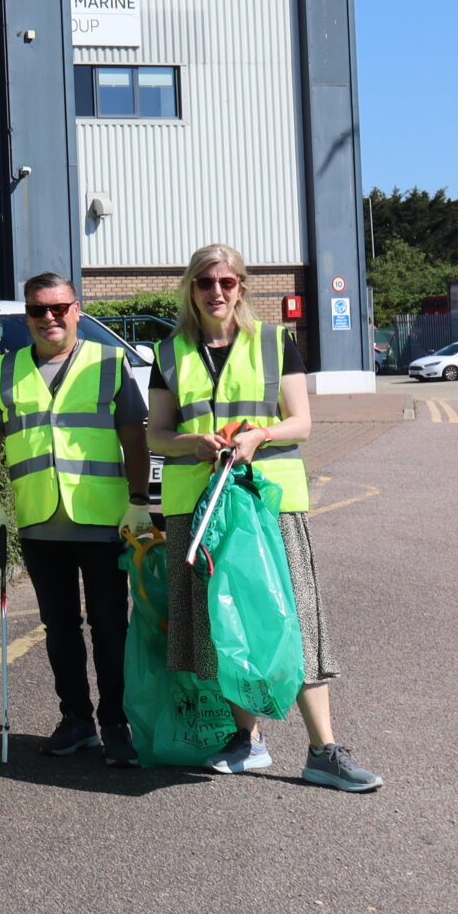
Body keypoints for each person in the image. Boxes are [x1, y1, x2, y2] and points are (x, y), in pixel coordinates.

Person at [146, 244, 382, 791]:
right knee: (223, 623)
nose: (216, 291)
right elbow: (155, 434)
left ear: (242, 287)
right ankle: (245, 738)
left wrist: (260, 435)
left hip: (267, 504)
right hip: (198, 508)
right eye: (206, 282)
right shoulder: (169, 353)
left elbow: (300, 422)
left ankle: (323, 750)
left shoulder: (276, 343)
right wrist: (191, 441)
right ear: (190, 288)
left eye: (227, 282)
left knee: (289, 618)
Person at [0, 272, 155, 765]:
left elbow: (135, 439)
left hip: (103, 520)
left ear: (77, 310)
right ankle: (77, 720)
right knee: (59, 627)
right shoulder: (5, 370)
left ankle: (116, 724)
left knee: (111, 627)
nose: (49, 317)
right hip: (38, 521)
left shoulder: (109, 362)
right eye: (38, 310)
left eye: (58, 308)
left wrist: (140, 501)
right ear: (27, 315)